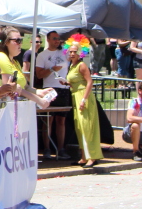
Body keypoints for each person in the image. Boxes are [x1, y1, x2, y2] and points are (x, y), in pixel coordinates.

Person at [35, 27, 72, 159]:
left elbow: (79, 54)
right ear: (48, 40)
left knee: (61, 120)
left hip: (63, 89)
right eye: (54, 39)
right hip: (49, 89)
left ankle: (61, 148)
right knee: (48, 120)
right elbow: (39, 75)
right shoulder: (42, 55)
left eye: (58, 39)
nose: (57, 41)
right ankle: (46, 148)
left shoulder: (65, 52)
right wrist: (51, 69)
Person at [65, 36, 102, 168]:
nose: (72, 53)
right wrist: (67, 83)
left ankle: (92, 156)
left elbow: (89, 82)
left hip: (82, 96)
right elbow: (75, 81)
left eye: (75, 51)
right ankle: (83, 157)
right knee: (79, 127)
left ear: (80, 52)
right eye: (70, 51)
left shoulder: (81, 65)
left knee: (87, 126)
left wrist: (84, 99)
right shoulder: (72, 65)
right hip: (75, 95)